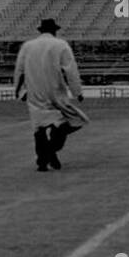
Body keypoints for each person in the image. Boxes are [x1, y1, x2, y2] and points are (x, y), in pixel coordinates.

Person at [12, 18, 88, 172]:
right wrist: (77, 91)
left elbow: (19, 70)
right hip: (55, 89)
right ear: (54, 30)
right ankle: (50, 151)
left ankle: (43, 157)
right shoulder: (60, 45)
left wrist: (19, 91)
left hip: (35, 90)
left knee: (39, 126)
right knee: (68, 121)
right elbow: (70, 70)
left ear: (40, 30)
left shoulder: (28, 46)